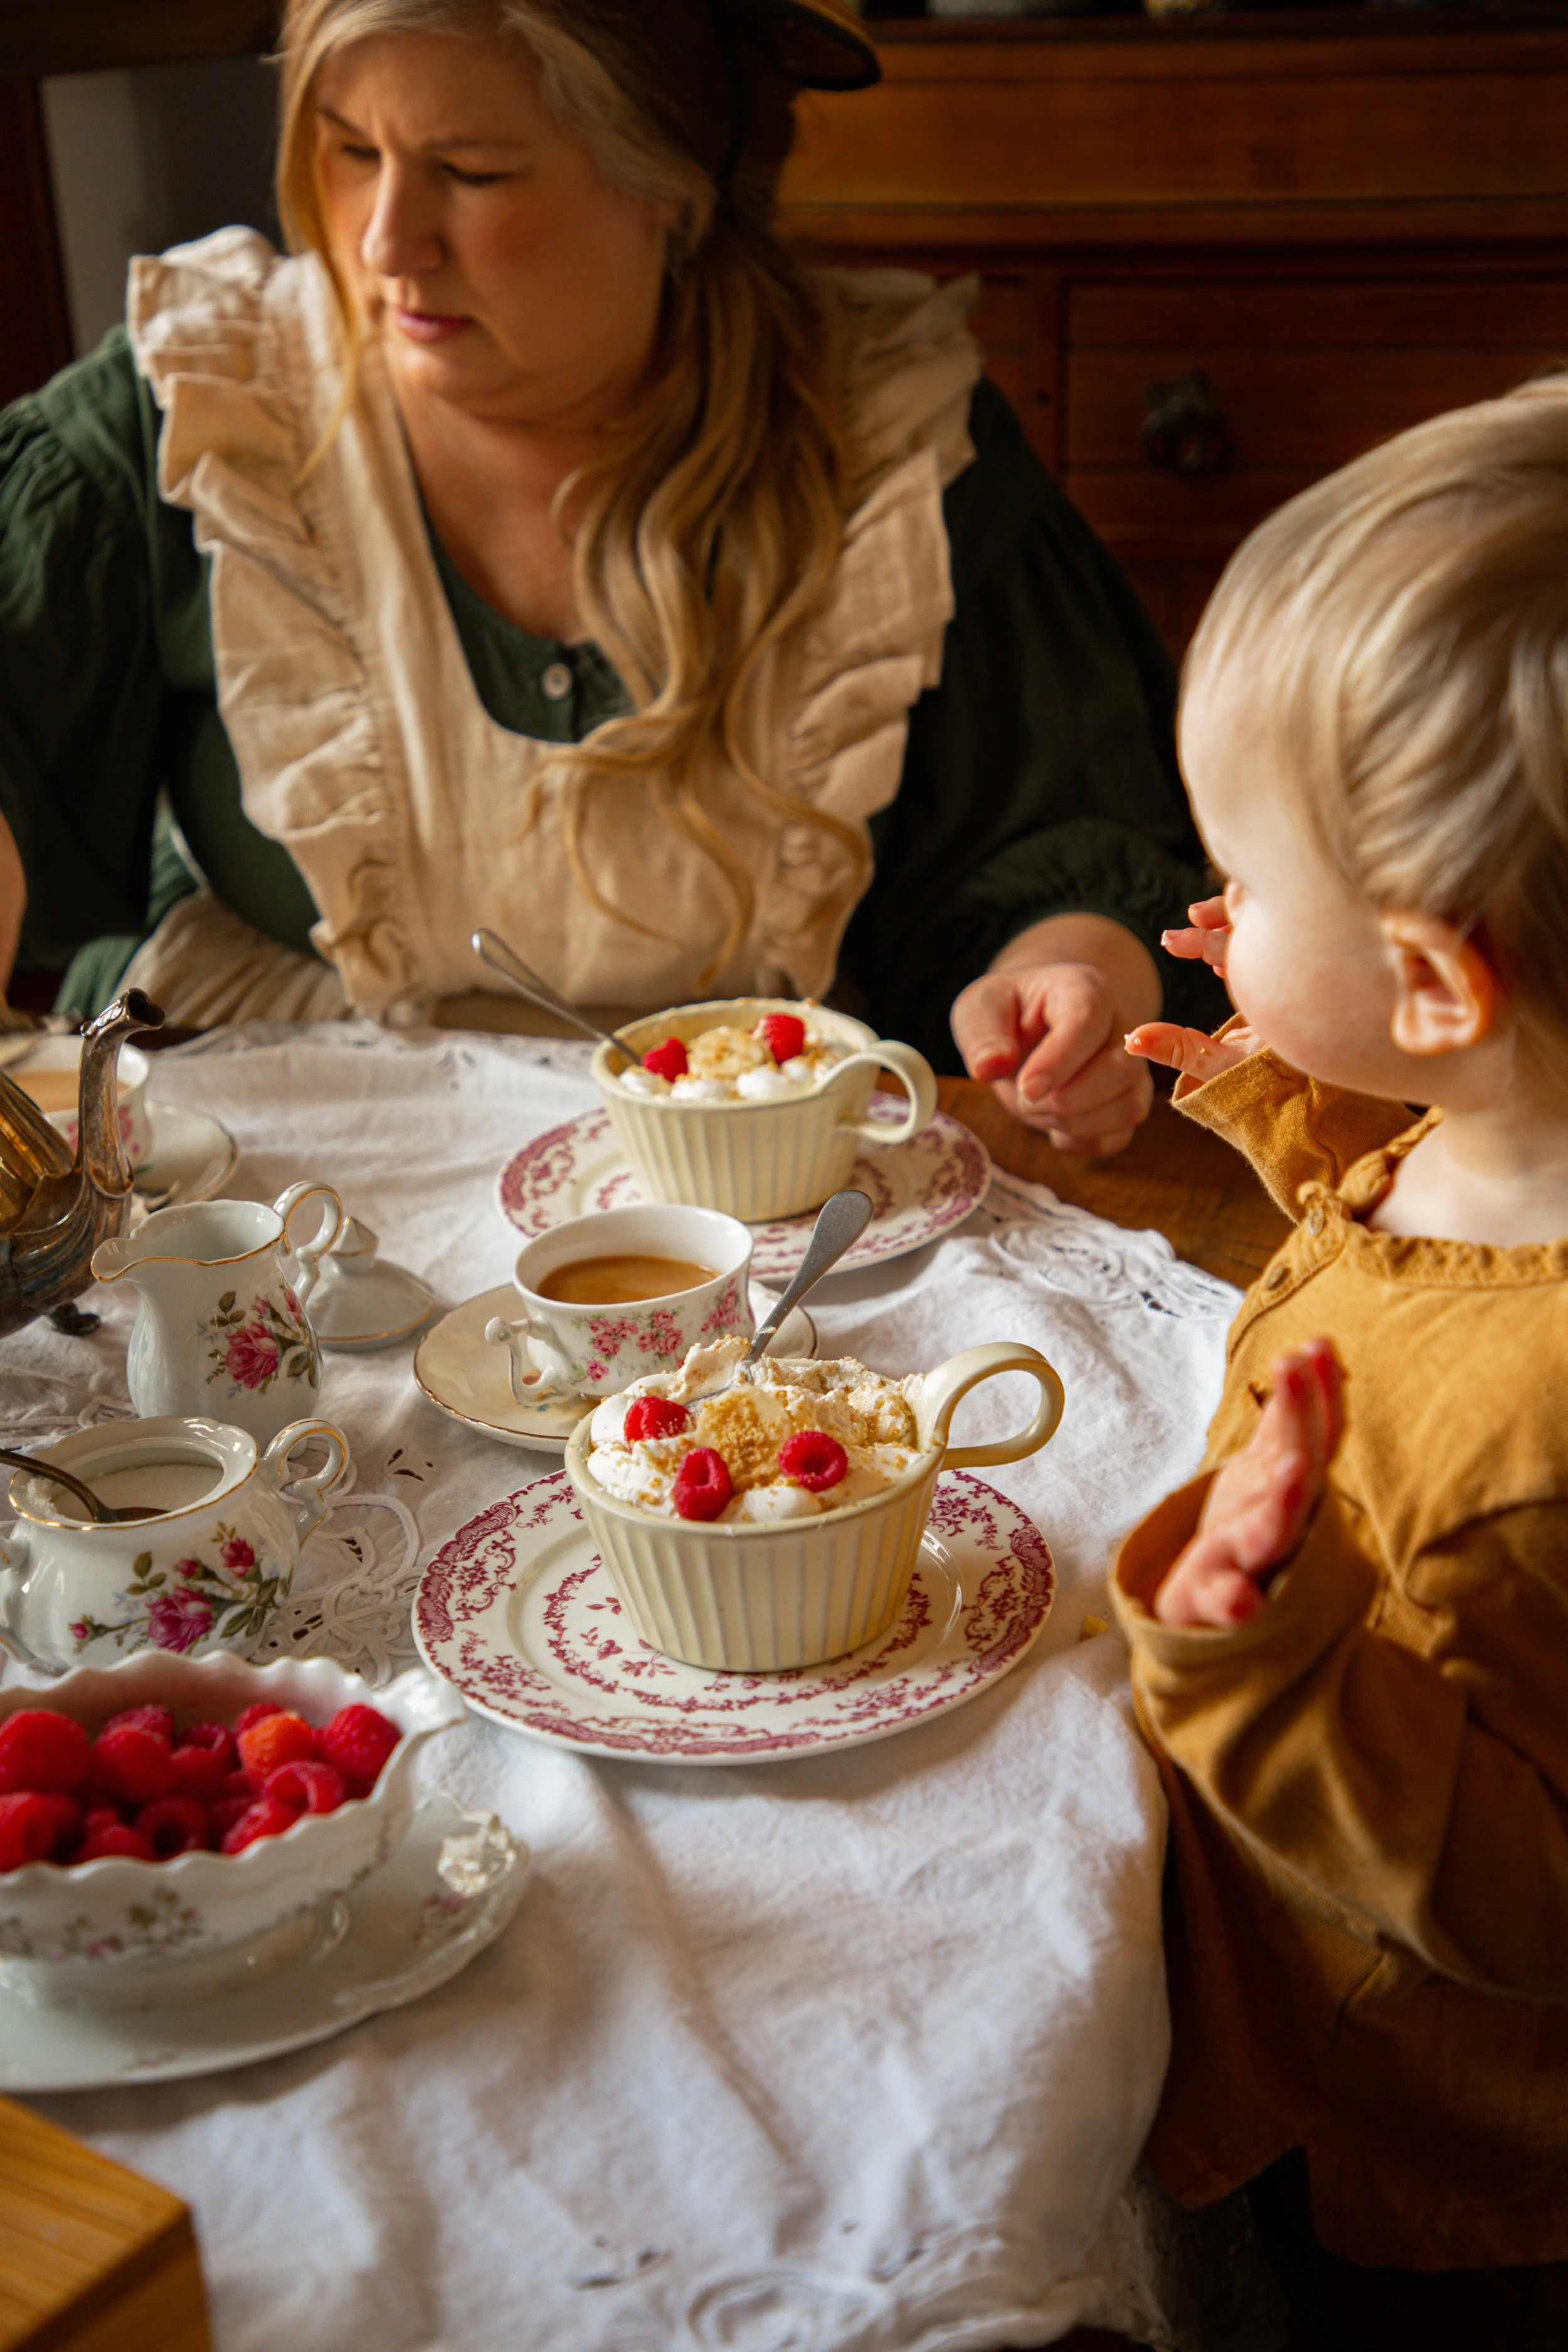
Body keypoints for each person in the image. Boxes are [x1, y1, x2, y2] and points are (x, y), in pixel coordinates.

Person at [0, 0, 1222, 1154]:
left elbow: (1058, 844)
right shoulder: (208, 414)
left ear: (668, 180)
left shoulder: (890, 439)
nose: (384, 240)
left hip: (768, 1148)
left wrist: (1065, 989)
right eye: (349, 149)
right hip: (292, 1137)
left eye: (471, 171)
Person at [1110, 382, 1568, 2344]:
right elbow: (1419, 1233)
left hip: (1418, 2164)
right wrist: (1302, 1100)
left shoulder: (1527, 1442)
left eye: (1250, 871)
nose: (1217, 898)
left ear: (1437, 976)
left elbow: (1519, 1901)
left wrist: (1265, 1652)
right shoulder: (1504, 1129)